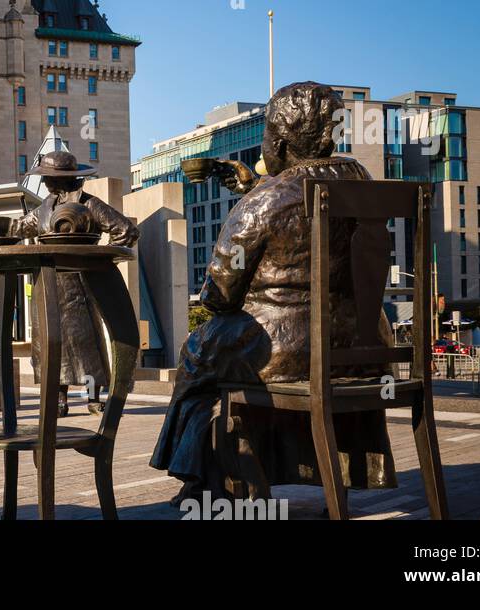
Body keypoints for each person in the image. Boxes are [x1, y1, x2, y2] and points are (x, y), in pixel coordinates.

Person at [150, 82, 398, 502]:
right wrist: (257, 188)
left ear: (278, 142)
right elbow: (309, 209)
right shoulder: (360, 179)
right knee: (229, 358)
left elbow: (219, 295)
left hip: (286, 350)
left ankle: (213, 482)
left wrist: (256, 197)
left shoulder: (263, 203)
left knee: (199, 356)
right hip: (362, 347)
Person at [11, 151, 139, 417]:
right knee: (50, 342)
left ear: (61, 178)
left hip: (78, 286)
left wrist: (99, 262)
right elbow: (21, 227)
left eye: (47, 177)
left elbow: (126, 230)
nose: (44, 181)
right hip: (47, 284)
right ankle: (58, 400)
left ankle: (93, 398)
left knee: (85, 343)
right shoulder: (46, 206)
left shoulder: (89, 204)